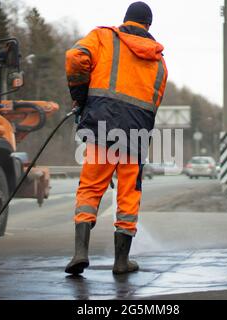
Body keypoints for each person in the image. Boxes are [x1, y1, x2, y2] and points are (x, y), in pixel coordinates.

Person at [64, 1, 168, 275]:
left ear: (126, 20)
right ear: (148, 27)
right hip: (134, 137)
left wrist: (80, 96)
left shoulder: (103, 37)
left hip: (101, 129)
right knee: (128, 196)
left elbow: (75, 57)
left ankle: (79, 253)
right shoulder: (160, 63)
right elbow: (154, 104)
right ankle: (121, 262)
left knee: (90, 188)